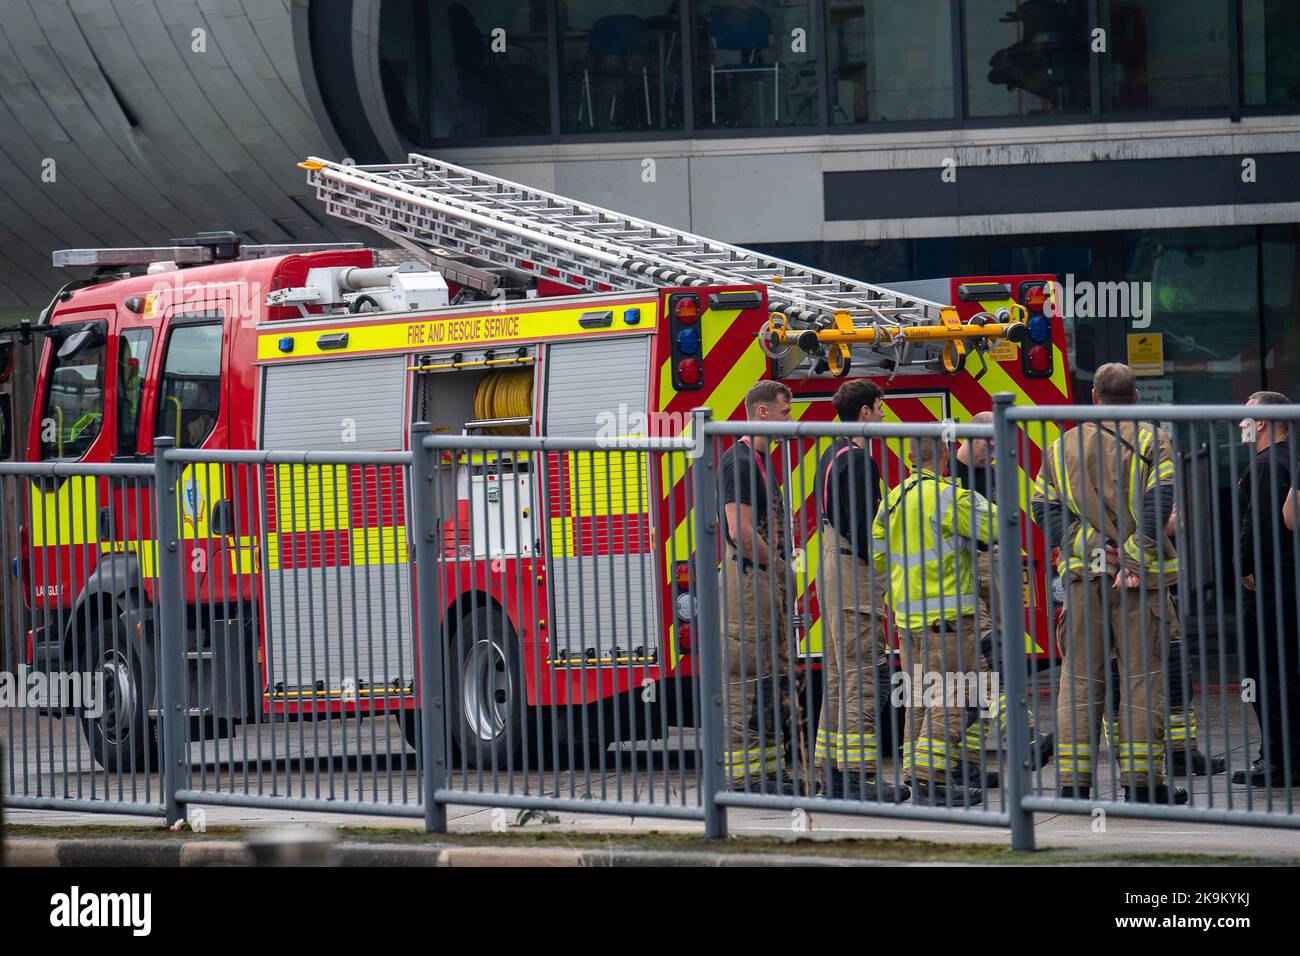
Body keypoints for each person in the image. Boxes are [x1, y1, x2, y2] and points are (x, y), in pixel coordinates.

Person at [1030, 362, 1187, 804]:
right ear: (1136, 397)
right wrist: (1132, 557)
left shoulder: (1061, 447)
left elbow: (1045, 508)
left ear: (1093, 398)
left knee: (1079, 679)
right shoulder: (1152, 439)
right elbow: (1162, 498)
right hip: (1140, 586)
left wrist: (1097, 547)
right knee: (1141, 678)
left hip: (1084, 580)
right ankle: (1142, 785)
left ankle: (1073, 786)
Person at [872, 435, 995, 805]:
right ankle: (930, 783)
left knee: (920, 700)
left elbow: (878, 557)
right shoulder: (946, 496)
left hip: (908, 621)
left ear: (909, 457)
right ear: (944, 454)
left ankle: (913, 775)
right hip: (949, 620)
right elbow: (995, 526)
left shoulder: (891, 500)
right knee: (952, 700)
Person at [811, 379, 908, 803]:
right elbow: (868, 532)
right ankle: (858, 778)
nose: (884, 416)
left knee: (839, 675)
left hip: (835, 568)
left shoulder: (831, 454)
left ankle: (831, 773)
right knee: (862, 677)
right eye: (880, 408)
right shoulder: (859, 462)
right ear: (865, 412)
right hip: (855, 576)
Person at [954, 411, 1053, 775]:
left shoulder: (991, 473)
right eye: (991, 445)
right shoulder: (949, 475)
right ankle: (1024, 737)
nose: (994, 453)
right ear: (973, 438)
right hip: (963, 570)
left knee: (990, 662)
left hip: (991, 567)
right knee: (988, 658)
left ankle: (968, 760)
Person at [718, 380, 802, 793]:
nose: (792, 420)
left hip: (763, 579)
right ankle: (746, 776)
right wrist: (781, 567)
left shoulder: (762, 461)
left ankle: (769, 773)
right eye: (785, 412)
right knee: (749, 677)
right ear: (763, 412)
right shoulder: (742, 461)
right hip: (751, 579)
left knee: (771, 675)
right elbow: (742, 531)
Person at [1233, 391, 1300, 786]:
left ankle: (1278, 761)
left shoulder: (1264, 466)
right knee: (1282, 669)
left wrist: (1244, 566)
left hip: (1268, 581)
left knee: (1264, 672)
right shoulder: (1287, 460)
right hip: (1283, 579)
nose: (1240, 423)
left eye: (1246, 417)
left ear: (1262, 423)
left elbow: (1256, 524)